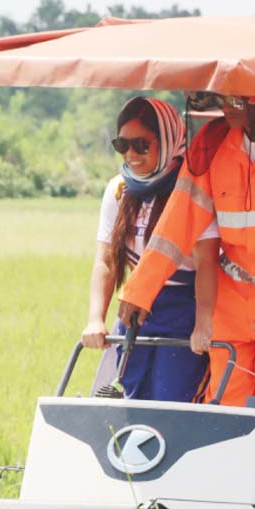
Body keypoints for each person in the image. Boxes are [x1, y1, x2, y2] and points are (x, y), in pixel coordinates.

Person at [117, 92, 255, 416]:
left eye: (236, 102)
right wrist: (140, 290)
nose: (225, 110)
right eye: (223, 99)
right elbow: (178, 222)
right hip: (232, 298)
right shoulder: (213, 142)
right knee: (224, 409)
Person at [81, 96, 218, 402]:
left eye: (141, 145)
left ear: (168, 142)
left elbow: (207, 262)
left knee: (172, 399)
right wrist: (95, 319)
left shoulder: (192, 189)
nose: (131, 154)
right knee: (133, 396)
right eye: (122, 145)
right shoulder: (118, 190)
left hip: (185, 306)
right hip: (135, 310)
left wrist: (203, 323)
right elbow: (106, 261)